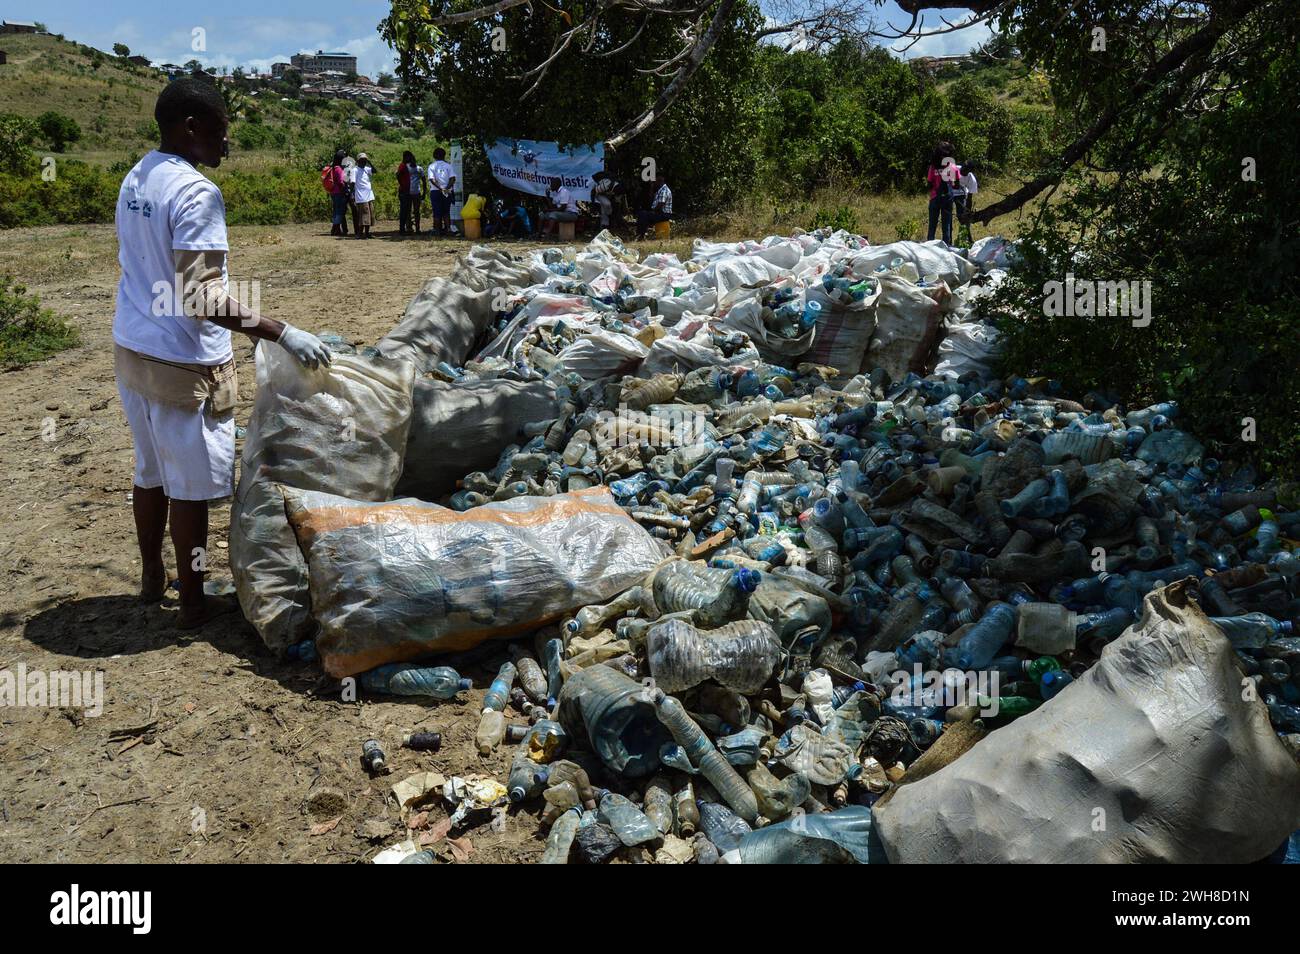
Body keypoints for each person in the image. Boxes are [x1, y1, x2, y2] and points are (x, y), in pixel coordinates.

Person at [113, 78, 332, 629]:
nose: (226, 141)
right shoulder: (195, 193)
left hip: (133, 349)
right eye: (219, 128)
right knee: (187, 490)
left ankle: (150, 577)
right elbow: (200, 295)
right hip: (182, 363)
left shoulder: (137, 177)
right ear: (191, 126)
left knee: (150, 473)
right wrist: (280, 331)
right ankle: (191, 602)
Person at [925, 142, 959, 245]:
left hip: (935, 198)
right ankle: (947, 247)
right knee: (946, 225)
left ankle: (929, 246)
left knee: (932, 225)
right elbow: (956, 185)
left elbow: (929, 184)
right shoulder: (952, 167)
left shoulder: (933, 167)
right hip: (947, 199)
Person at [427, 147, 455, 237]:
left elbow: (432, 179)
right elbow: (452, 178)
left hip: (435, 191)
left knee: (436, 211)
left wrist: (440, 188)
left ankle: (437, 231)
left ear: (434, 156)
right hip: (447, 191)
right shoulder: (448, 166)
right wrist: (446, 188)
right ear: (444, 155)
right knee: (446, 211)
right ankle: (448, 230)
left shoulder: (431, 166)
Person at [322, 150, 348, 237]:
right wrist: (344, 189)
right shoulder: (339, 169)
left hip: (333, 192)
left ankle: (335, 229)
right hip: (339, 193)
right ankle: (335, 229)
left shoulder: (333, 167)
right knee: (339, 212)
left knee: (335, 211)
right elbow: (341, 182)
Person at [955, 161, 979, 247]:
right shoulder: (954, 169)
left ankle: (968, 239)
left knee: (963, 218)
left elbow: (969, 197)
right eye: (963, 169)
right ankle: (948, 240)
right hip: (949, 193)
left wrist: (967, 211)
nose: (963, 171)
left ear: (969, 171)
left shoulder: (971, 179)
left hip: (961, 195)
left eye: (966, 170)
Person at [352, 153, 374, 239]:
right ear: (358, 161)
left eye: (365, 160)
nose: (364, 162)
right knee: (364, 215)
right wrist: (352, 194)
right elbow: (352, 183)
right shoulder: (355, 170)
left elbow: (375, 171)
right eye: (362, 160)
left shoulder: (366, 169)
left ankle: (367, 233)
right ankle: (360, 234)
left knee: (370, 215)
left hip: (369, 196)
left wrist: (370, 163)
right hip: (361, 196)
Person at [396, 150, 417, 235]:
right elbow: (398, 175)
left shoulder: (405, 166)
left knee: (406, 210)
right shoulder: (402, 165)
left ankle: (405, 228)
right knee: (404, 211)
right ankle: (402, 229)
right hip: (404, 191)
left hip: (407, 191)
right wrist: (402, 184)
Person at [407, 155, 424, 234]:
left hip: (417, 192)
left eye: (414, 160)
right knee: (408, 211)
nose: (413, 161)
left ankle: (417, 228)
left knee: (417, 211)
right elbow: (398, 175)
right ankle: (409, 228)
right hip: (408, 193)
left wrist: (424, 193)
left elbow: (424, 181)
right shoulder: (406, 168)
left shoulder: (419, 169)